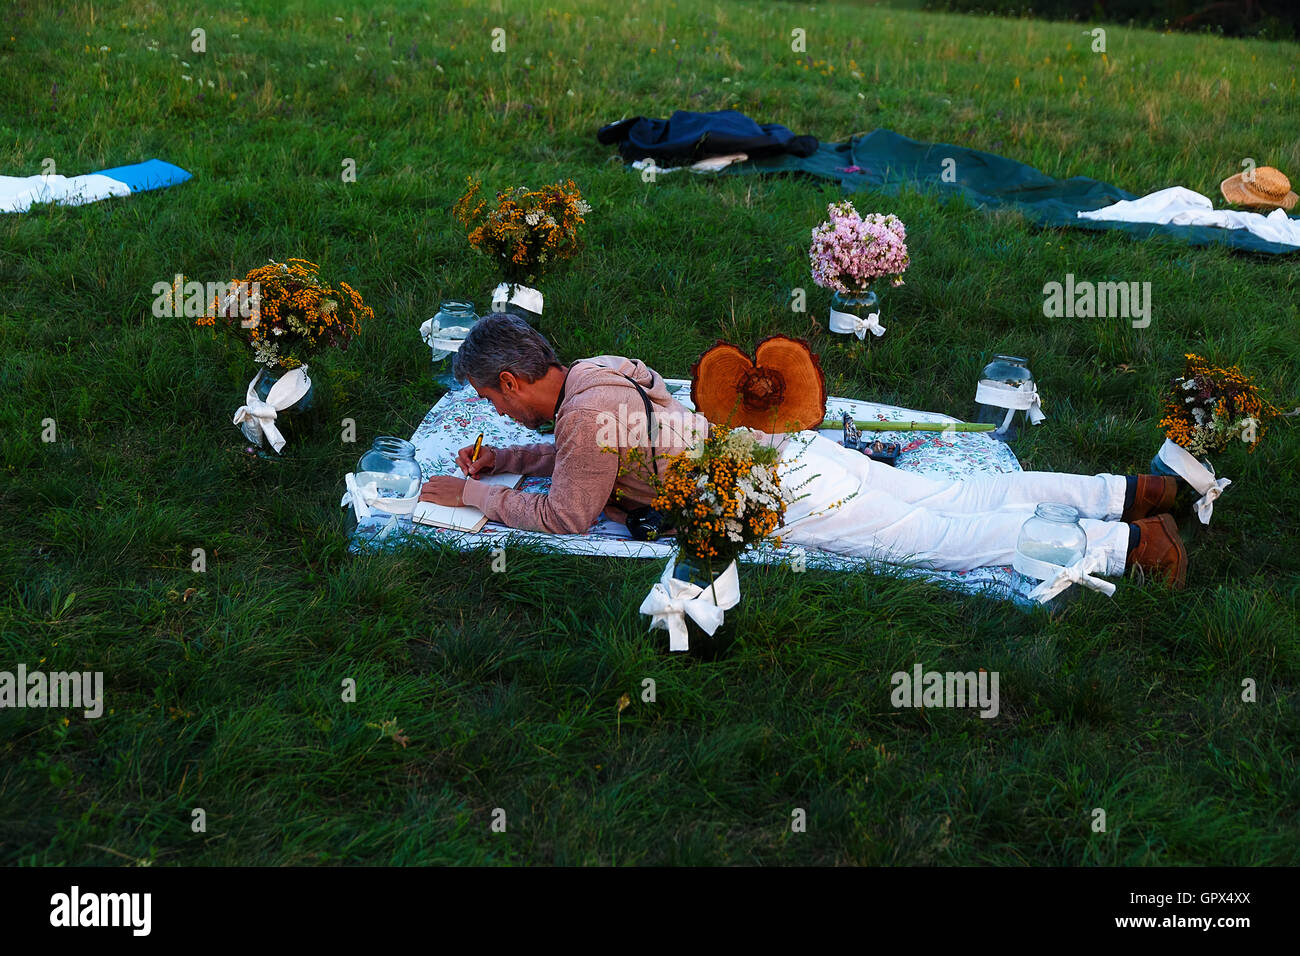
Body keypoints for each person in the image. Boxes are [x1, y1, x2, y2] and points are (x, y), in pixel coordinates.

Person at [418, 313, 1188, 588]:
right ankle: (1124, 493)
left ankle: (1134, 548)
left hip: (777, 496)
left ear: (513, 380)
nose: (495, 414)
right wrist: (509, 462)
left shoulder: (583, 422)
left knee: (942, 540)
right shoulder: (596, 372)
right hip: (787, 453)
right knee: (950, 497)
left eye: (491, 400)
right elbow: (599, 449)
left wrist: (474, 495)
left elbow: (568, 514)